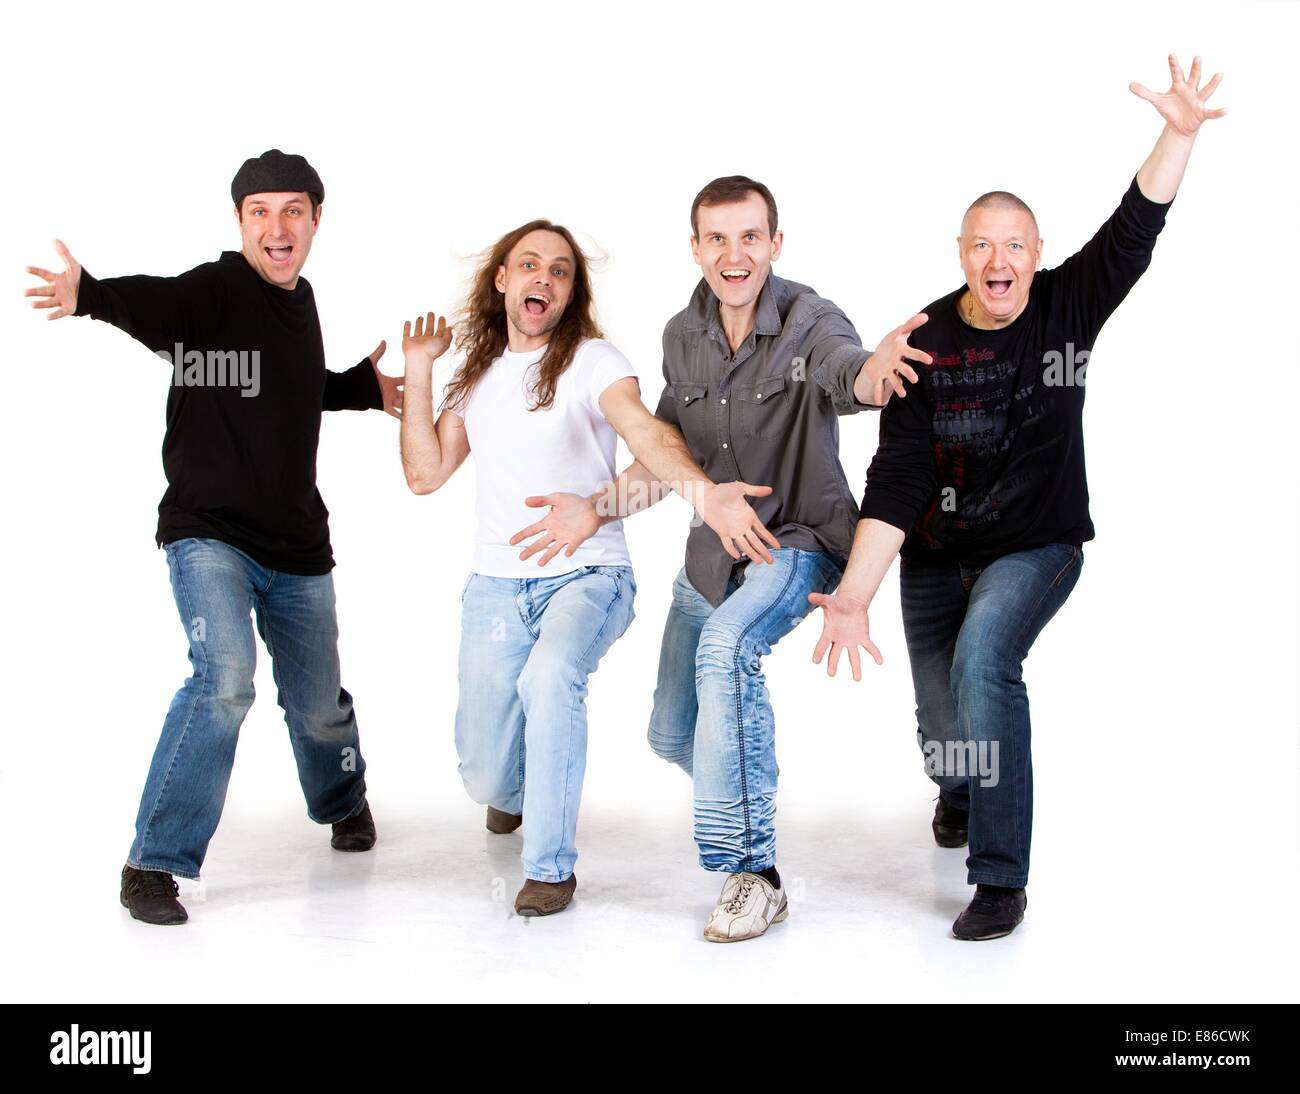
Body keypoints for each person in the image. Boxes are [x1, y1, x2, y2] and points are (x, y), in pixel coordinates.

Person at [810, 56, 1225, 940]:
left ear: (1035, 255)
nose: (999, 260)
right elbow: (900, 476)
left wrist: (1178, 133)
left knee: (986, 664)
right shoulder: (924, 338)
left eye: (1015, 245)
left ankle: (999, 879)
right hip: (933, 557)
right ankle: (961, 788)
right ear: (962, 255)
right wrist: (854, 593)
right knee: (941, 732)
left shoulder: (1068, 306)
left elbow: (1132, 230)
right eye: (981, 245)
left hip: (1034, 547)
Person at [517, 178, 922, 941]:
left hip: (798, 540)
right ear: (696, 247)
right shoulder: (683, 335)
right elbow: (670, 454)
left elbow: (848, 370)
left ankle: (753, 872)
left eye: (750, 237)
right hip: (713, 556)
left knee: (727, 649)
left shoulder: (809, 320)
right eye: (717, 238)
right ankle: (746, 788)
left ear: (775, 243)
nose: (734, 255)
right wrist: (595, 507)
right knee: (673, 733)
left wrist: (875, 374)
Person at [24, 149, 402, 925]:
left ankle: (342, 801)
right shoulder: (216, 289)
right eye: (259, 212)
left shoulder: (303, 302)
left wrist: (359, 388)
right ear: (239, 224)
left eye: (292, 210)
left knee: (319, 707)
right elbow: (155, 305)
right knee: (224, 678)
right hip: (208, 535)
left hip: (297, 543)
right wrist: (89, 294)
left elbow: (290, 387)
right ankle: (152, 864)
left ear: (316, 220)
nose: (277, 226)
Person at [400, 219, 772, 917]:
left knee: (551, 677)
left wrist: (697, 494)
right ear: (503, 280)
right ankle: (511, 797)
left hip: (589, 577)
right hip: (494, 587)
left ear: (571, 293)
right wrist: (421, 367)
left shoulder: (594, 362)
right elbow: (423, 474)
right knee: (480, 766)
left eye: (561, 270)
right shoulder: (474, 378)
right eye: (529, 265)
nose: (544, 277)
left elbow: (645, 432)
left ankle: (549, 867)